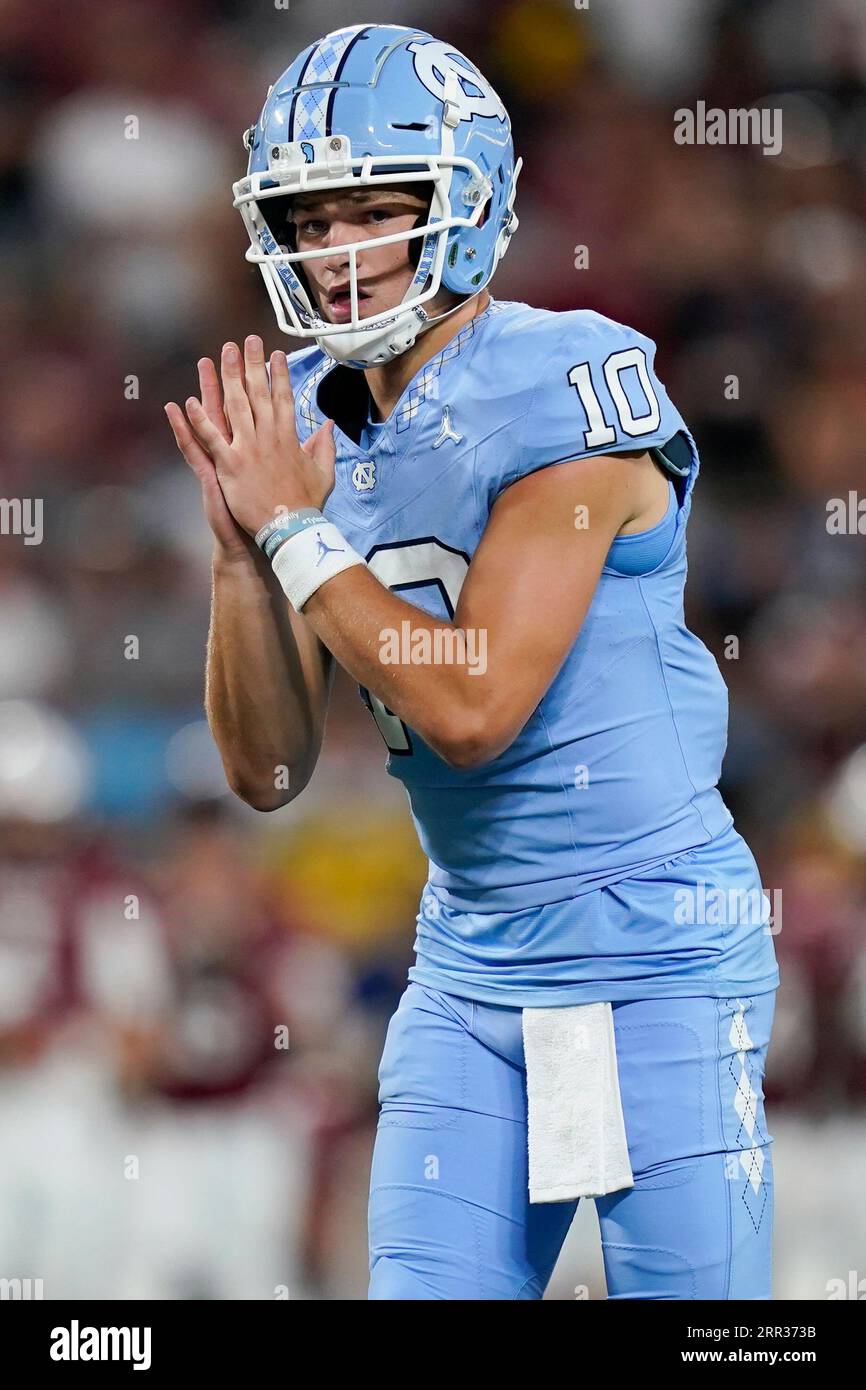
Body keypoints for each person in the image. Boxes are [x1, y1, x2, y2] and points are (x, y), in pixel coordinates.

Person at [165, 23, 780, 1300]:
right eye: (307, 219)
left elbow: (471, 705)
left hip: (652, 949)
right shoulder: (299, 410)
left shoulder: (567, 383)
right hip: (474, 963)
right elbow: (269, 768)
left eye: (371, 212)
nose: (334, 255)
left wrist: (293, 527)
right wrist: (241, 556)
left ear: (466, 206)